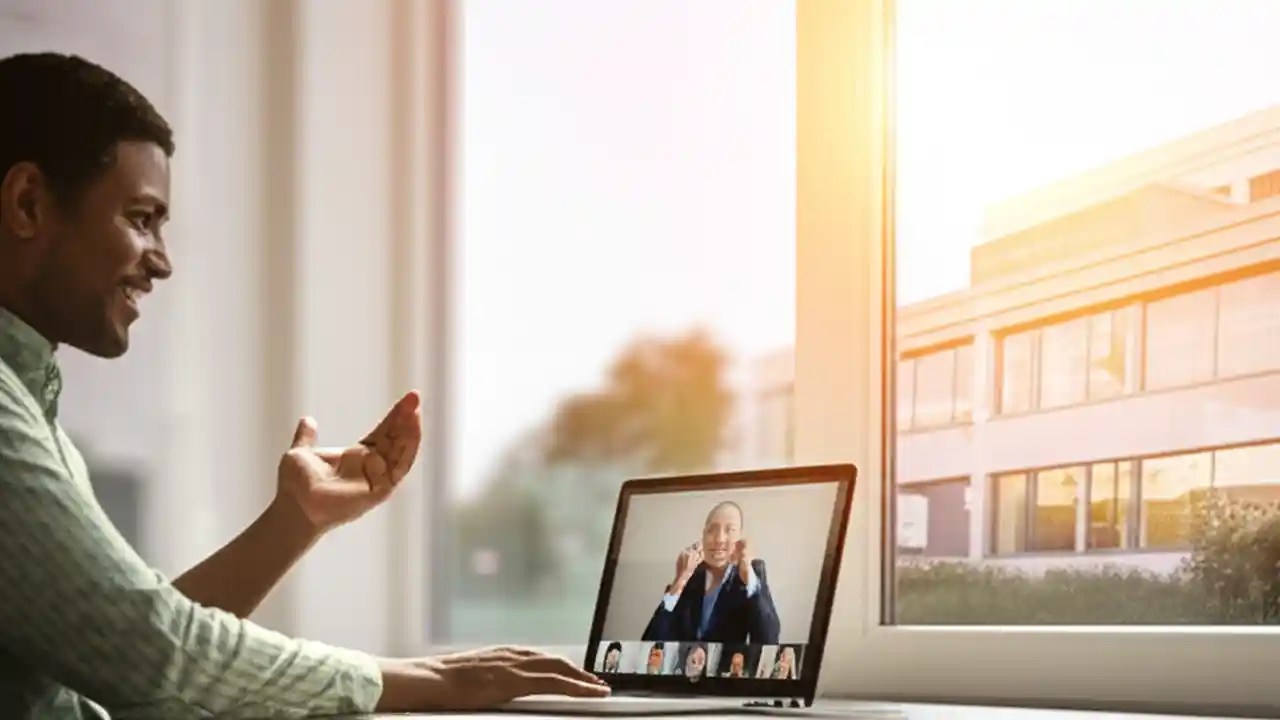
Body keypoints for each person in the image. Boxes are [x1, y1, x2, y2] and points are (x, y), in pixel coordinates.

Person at [0, 52, 609, 719]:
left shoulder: (32, 409)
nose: (162, 262)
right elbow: (148, 655)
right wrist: (439, 681)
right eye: (141, 218)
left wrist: (293, 523)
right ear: (28, 203)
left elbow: (115, 660)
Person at [641, 500, 780, 644]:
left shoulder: (753, 573)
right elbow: (649, 641)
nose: (719, 539)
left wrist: (748, 577)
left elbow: (769, 639)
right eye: (712, 530)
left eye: (729, 530)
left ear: (739, 538)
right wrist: (680, 581)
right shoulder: (691, 573)